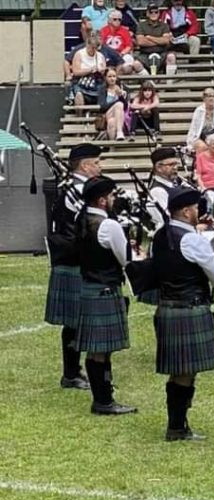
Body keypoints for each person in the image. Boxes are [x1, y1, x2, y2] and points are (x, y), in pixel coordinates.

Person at [151, 187, 214, 441]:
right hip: (189, 308)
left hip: (166, 307)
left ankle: (178, 424)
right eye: (195, 208)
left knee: (179, 370)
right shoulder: (192, 240)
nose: (198, 212)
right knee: (185, 371)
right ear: (185, 211)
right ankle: (177, 427)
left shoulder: (159, 236)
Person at [76, 176, 137, 415]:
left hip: (89, 286)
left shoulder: (81, 218)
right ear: (102, 200)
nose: (114, 199)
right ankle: (103, 400)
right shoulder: (108, 225)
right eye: (111, 196)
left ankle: (102, 398)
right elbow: (126, 259)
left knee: (95, 349)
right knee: (102, 349)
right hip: (105, 287)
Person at [45, 144, 103, 391]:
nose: (100, 167)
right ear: (85, 165)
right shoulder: (78, 191)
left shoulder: (74, 188)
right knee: (75, 320)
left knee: (75, 319)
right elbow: (90, 224)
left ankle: (74, 371)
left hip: (73, 258)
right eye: (97, 162)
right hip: (74, 259)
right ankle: (71, 373)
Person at [100, 10, 144, 75]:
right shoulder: (103, 30)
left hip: (122, 55)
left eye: (119, 19)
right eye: (115, 19)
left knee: (129, 59)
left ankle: (149, 82)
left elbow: (129, 46)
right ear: (109, 20)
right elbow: (101, 45)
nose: (117, 21)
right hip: (108, 56)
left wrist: (121, 54)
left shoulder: (124, 31)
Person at [185, 88, 214, 153]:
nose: (211, 98)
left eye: (213, 96)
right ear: (204, 98)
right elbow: (193, 128)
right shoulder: (198, 110)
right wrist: (190, 144)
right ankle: (201, 163)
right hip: (200, 137)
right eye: (209, 96)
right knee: (202, 147)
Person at [135, 4, 175, 74]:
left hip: (162, 52)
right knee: (136, 64)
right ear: (147, 13)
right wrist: (159, 41)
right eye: (151, 12)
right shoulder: (141, 25)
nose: (154, 14)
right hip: (145, 53)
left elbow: (166, 41)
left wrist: (149, 37)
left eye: (156, 12)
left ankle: (170, 83)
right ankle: (149, 83)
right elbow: (140, 42)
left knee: (171, 57)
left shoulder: (164, 25)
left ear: (159, 13)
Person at [70, 35, 107, 107]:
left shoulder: (100, 56)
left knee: (104, 90)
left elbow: (104, 70)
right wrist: (90, 70)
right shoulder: (79, 54)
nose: (93, 50)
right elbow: (76, 72)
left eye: (95, 48)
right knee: (79, 94)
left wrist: (101, 70)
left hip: (97, 82)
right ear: (87, 45)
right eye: (92, 47)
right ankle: (79, 115)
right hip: (81, 82)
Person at [96, 68, 128, 141]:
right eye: (109, 76)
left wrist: (121, 96)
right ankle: (119, 132)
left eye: (114, 76)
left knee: (112, 122)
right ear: (105, 78)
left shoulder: (123, 88)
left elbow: (126, 107)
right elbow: (102, 106)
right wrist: (117, 100)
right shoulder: (102, 89)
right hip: (107, 113)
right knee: (118, 104)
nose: (112, 79)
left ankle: (112, 147)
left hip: (121, 116)